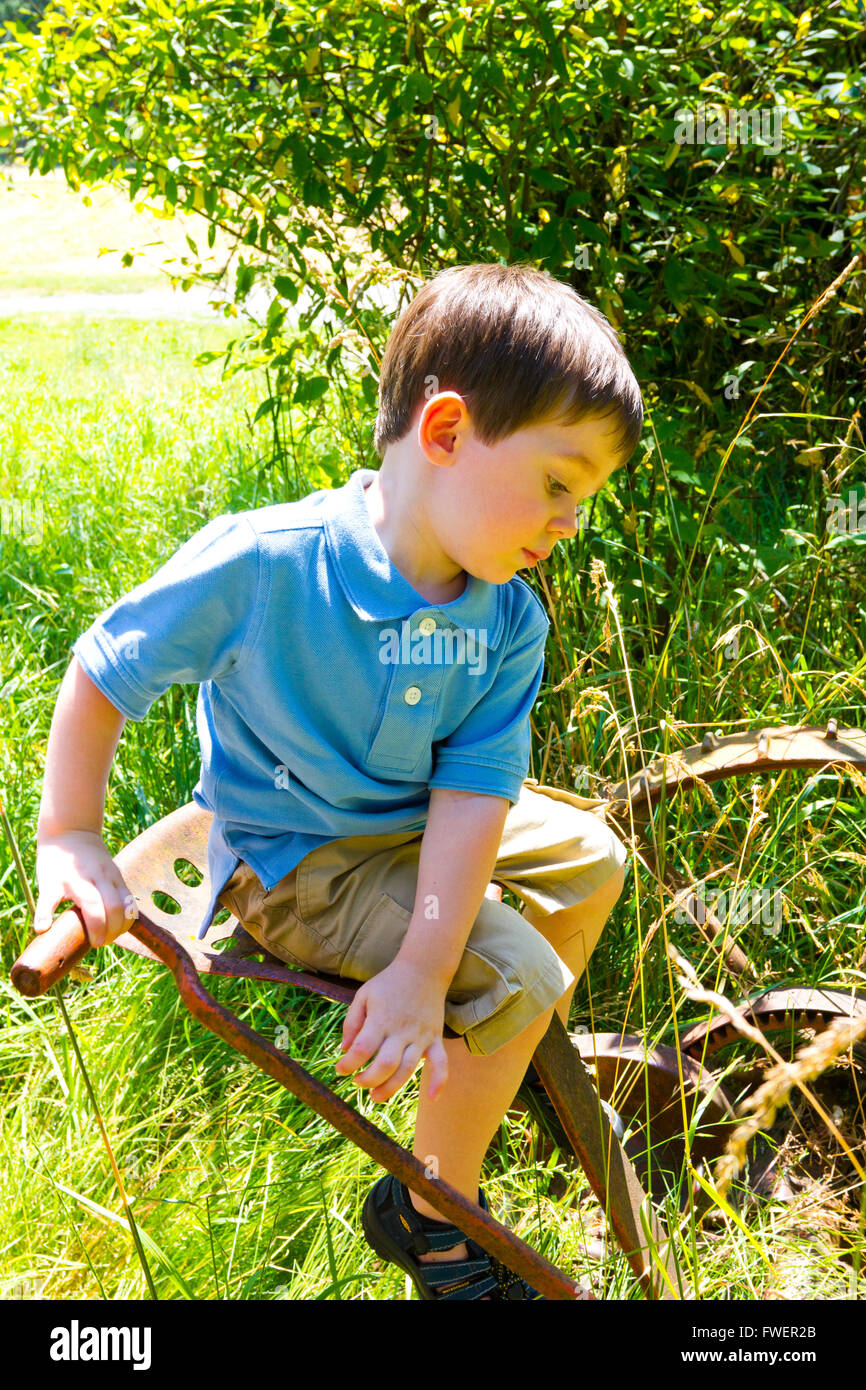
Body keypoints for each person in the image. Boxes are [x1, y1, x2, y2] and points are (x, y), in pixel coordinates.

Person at [33, 261, 643, 1301]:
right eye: (556, 482)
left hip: (408, 824)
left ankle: (486, 1045)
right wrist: (71, 834)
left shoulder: (502, 618)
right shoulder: (273, 565)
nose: (569, 520)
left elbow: (472, 793)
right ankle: (437, 1213)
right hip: (295, 857)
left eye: (582, 498)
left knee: (592, 856)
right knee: (519, 975)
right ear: (444, 433)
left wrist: (420, 960)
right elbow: (106, 662)